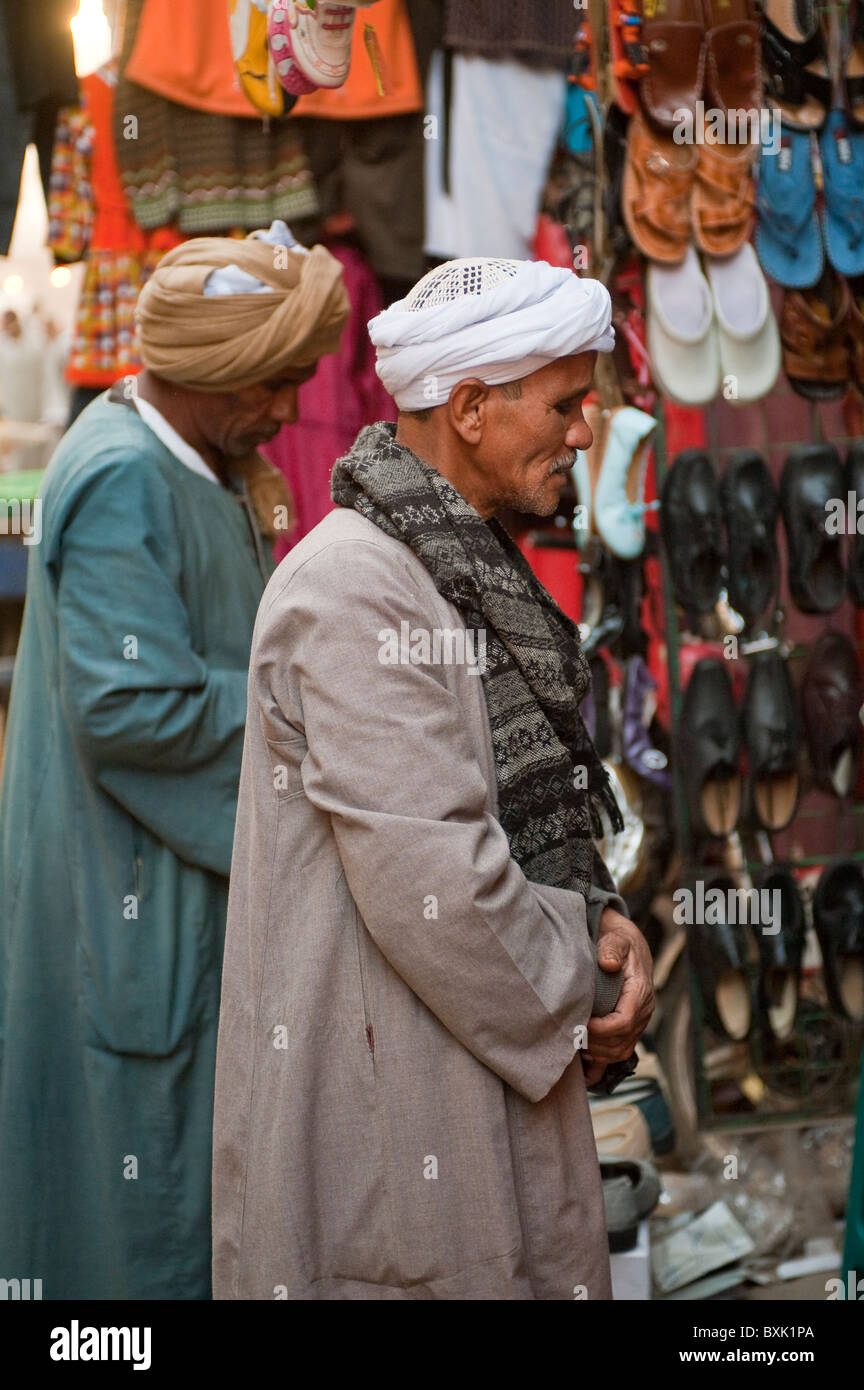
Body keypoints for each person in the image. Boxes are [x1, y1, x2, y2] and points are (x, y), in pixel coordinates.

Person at [212, 256, 655, 1301]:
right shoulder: (355, 590)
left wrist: (596, 912)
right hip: (396, 1101)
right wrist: (589, 978)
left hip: (466, 1064)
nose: (585, 433)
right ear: (467, 408)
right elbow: (441, 886)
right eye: (566, 404)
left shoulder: (460, 564)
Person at [0, 224, 349, 1299]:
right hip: (132, 899)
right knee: (141, 1208)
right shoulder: (119, 478)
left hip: (178, 879)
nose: (287, 413)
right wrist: (322, 713)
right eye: (273, 384)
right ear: (211, 374)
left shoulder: (203, 461)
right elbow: (133, 707)